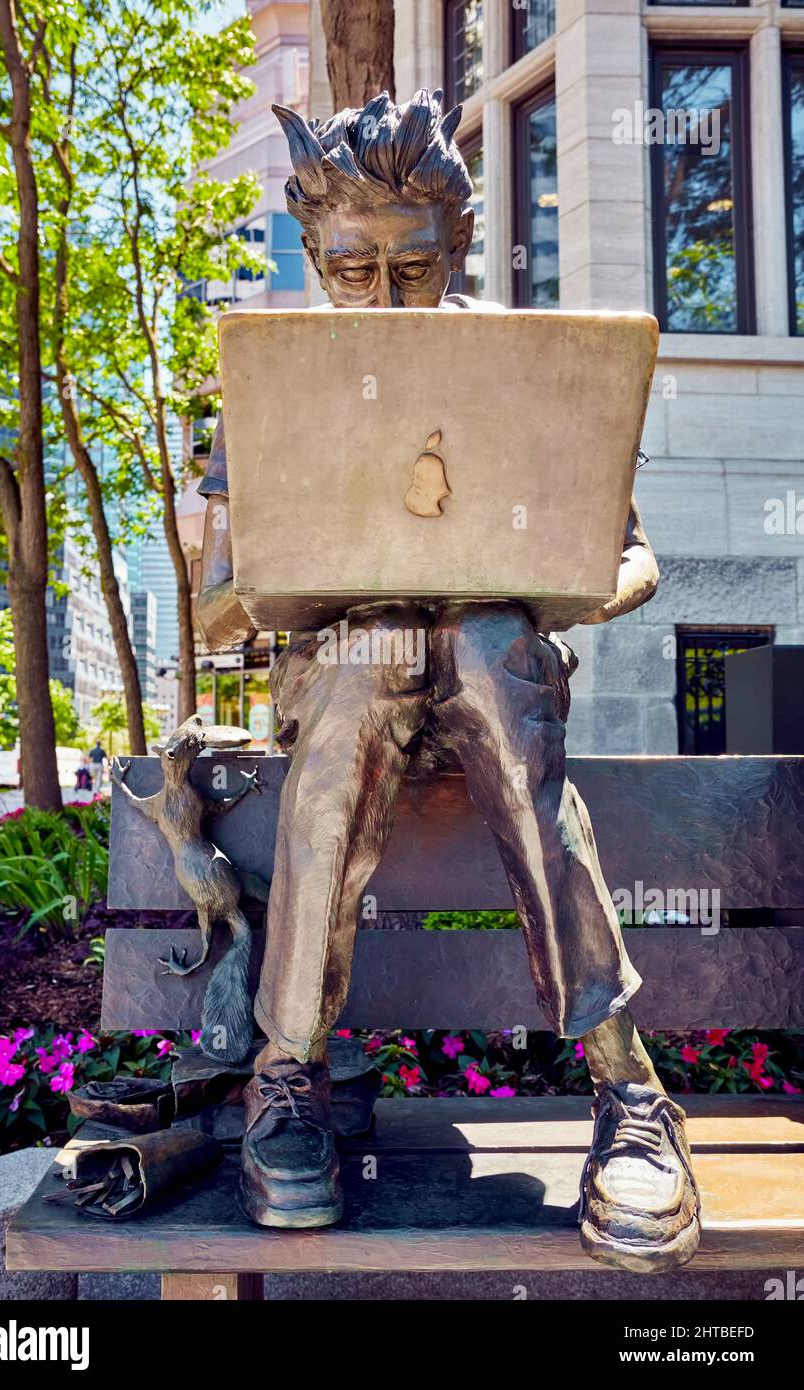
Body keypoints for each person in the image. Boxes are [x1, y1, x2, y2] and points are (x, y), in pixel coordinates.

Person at [193, 89, 699, 1271]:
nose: (380, 296)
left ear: (457, 248)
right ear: (315, 257)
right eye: (351, 269)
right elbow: (220, 598)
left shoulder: (518, 368)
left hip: (491, 675)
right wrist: (307, 575)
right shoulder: (278, 377)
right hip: (345, 680)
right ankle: (288, 1074)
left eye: (410, 269)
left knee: (475, 638)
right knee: (378, 655)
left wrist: (538, 581)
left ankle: (625, 1084)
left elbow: (630, 557)